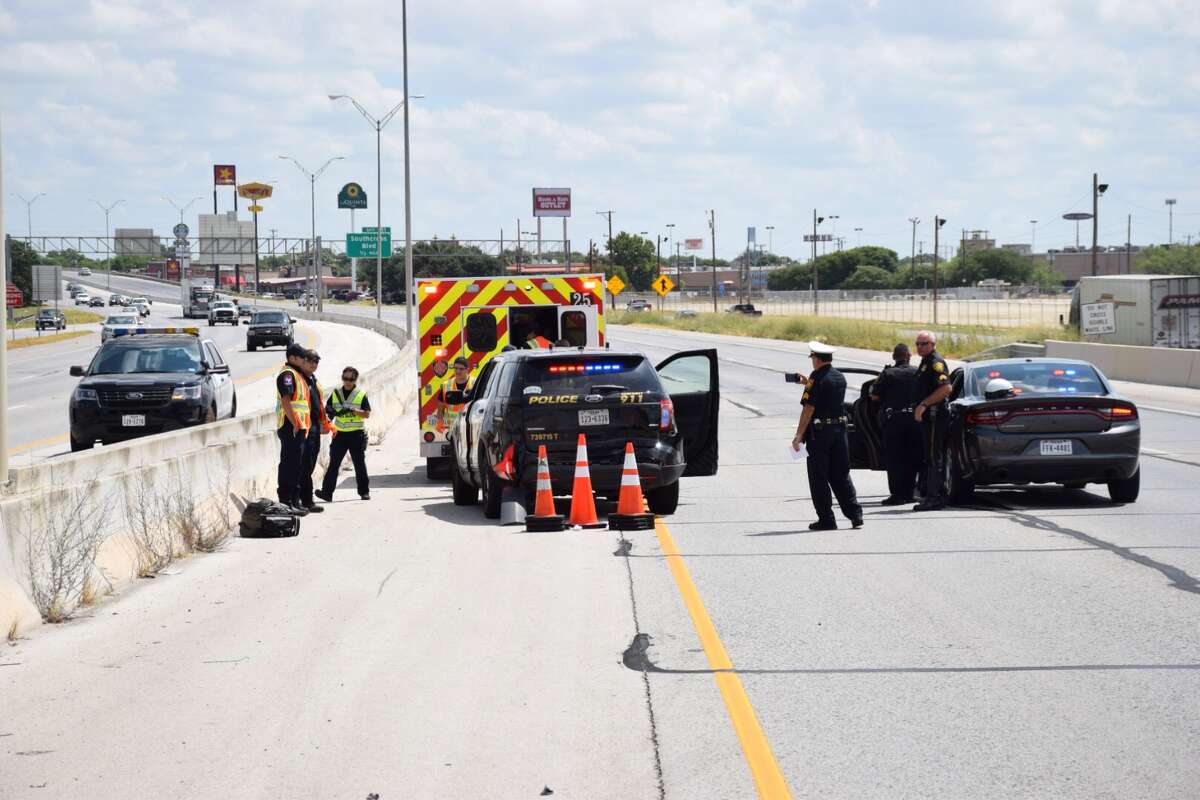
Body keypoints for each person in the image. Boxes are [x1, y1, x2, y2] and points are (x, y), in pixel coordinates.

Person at [792, 341, 863, 531]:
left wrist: (798, 435)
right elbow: (825, 390)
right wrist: (807, 382)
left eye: (812, 358)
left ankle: (827, 519)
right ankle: (855, 515)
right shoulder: (839, 377)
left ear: (816, 358)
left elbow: (809, 409)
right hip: (840, 433)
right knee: (841, 475)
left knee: (819, 477)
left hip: (819, 435)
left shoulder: (816, 378)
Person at [870, 343, 924, 505]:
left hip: (894, 421)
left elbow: (874, 397)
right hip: (915, 420)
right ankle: (910, 493)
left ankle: (897, 495)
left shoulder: (888, 374)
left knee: (895, 459)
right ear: (909, 356)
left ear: (894, 357)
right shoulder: (918, 372)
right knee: (913, 457)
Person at [315, 366, 372, 502]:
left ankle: (364, 492)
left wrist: (354, 411)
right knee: (334, 464)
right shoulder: (336, 394)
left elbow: (367, 414)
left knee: (359, 464)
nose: (348, 381)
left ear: (355, 379)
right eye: (345, 378)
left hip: (356, 434)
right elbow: (328, 408)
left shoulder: (360, 394)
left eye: (351, 379)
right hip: (340, 435)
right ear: (342, 378)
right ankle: (327, 493)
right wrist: (331, 413)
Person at [913, 330, 953, 511]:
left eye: (924, 344)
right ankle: (932, 494)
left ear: (933, 345)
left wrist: (924, 404)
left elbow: (946, 388)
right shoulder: (925, 362)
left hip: (935, 416)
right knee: (930, 455)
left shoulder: (936, 363)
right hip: (930, 417)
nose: (920, 347)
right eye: (918, 344)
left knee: (934, 456)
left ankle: (935, 497)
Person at [275, 343, 312, 515]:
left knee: (297, 465)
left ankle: (294, 501)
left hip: (299, 426)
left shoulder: (297, 375)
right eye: (302, 357)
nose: (305, 360)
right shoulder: (287, 375)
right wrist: (295, 422)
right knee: (289, 464)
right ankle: (286, 501)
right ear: (292, 358)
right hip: (291, 425)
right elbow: (286, 400)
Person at [297, 349, 331, 512]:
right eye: (310, 360)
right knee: (304, 466)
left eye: (316, 361)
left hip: (315, 426)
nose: (313, 364)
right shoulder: (299, 378)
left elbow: (318, 403)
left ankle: (305, 500)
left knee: (310, 464)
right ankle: (303, 501)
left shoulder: (312, 379)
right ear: (302, 361)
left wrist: (324, 422)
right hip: (304, 427)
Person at [437, 357, 472, 432]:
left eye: (461, 369)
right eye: (455, 368)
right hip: (454, 429)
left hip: (471, 427)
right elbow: (440, 406)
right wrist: (440, 421)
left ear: (467, 369)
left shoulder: (475, 383)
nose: (457, 371)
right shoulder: (446, 385)